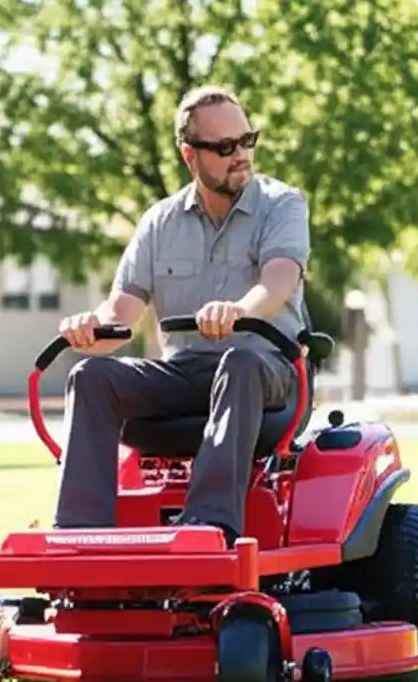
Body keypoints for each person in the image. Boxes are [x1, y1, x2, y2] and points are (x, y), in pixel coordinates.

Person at [52, 86, 311, 547]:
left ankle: (208, 529)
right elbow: (121, 313)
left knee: (239, 363)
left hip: (268, 372)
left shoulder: (282, 205)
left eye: (247, 140)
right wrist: (87, 328)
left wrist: (240, 310)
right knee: (92, 376)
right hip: (184, 373)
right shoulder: (159, 222)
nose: (242, 156)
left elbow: (278, 281)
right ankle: (79, 536)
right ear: (190, 155)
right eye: (226, 147)